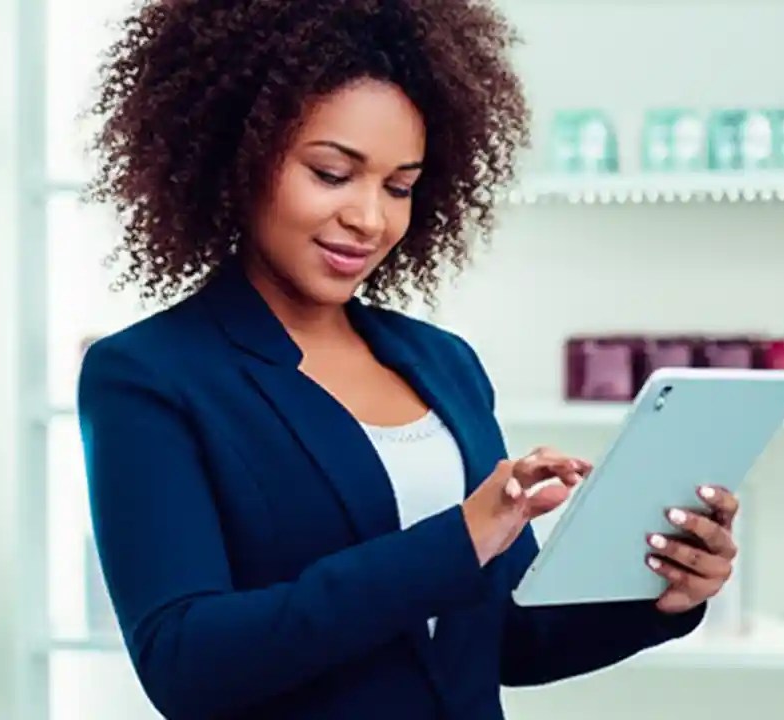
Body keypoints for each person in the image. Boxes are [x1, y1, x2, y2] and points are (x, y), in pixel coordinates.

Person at [76, 1, 741, 718]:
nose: (371, 218)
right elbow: (185, 663)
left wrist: (665, 596)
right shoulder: (149, 375)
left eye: (399, 187)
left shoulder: (443, 364)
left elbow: (509, 641)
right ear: (236, 156)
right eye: (332, 173)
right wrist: (458, 540)